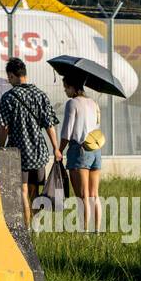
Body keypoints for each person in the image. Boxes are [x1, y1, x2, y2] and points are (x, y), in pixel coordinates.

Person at [0, 57, 61, 222]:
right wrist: (56, 148)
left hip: (19, 153)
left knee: (23, 191)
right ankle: (36, 224)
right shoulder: (40, 95)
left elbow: (4, 127)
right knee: (36, 189)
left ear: (11, 76)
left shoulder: (8, 97)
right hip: (38, 152)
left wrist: (1, 147)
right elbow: (49, 124)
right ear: (24, 73)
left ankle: (27, 227)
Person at [58, 73, 102, 231]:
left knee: (82, 196)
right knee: (93, 195)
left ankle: (84, 232)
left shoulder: (72, 103)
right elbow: (96, 125)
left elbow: (67, 132)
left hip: (79, 150)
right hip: (95, 149)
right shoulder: (94, 103)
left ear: (72, 87)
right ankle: (96, 231)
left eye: (66, 87)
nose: (65, 91)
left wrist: (59, 150)